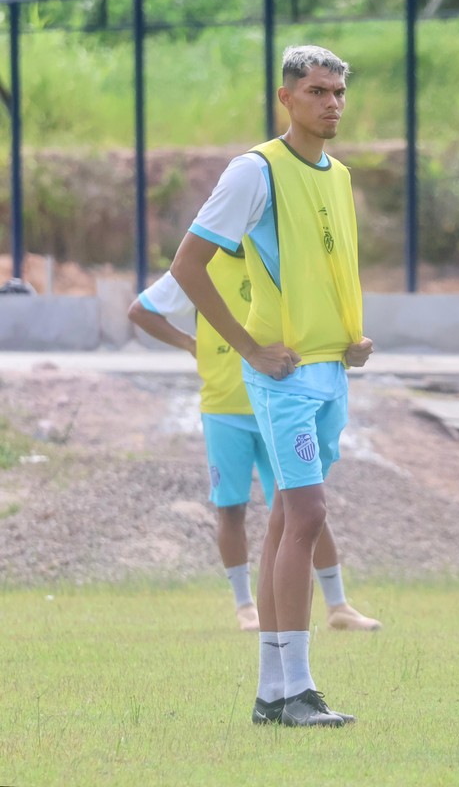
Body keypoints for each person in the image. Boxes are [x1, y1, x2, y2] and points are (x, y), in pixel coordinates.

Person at [170, 44, 373, 728]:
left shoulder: (339, 176)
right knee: (308, 514)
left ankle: (272, 693)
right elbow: (188, 265)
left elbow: (330, 271)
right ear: (286, 98)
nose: (332, 103)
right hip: (281, 375)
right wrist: (250, 347)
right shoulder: (255, 171)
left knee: (291, 516)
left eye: (339, 92)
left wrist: (353, 336)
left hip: (330, 370)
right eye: (317, 91)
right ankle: (299, 689)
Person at [127, 264, 382, 634]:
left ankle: (338, 604)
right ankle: (245, 606)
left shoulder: (275, 256)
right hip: (224, 409)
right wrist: (190, 344)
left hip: (277, 404)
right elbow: (140, 310)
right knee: (231, 508)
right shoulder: (203, 263)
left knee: (303, 503)